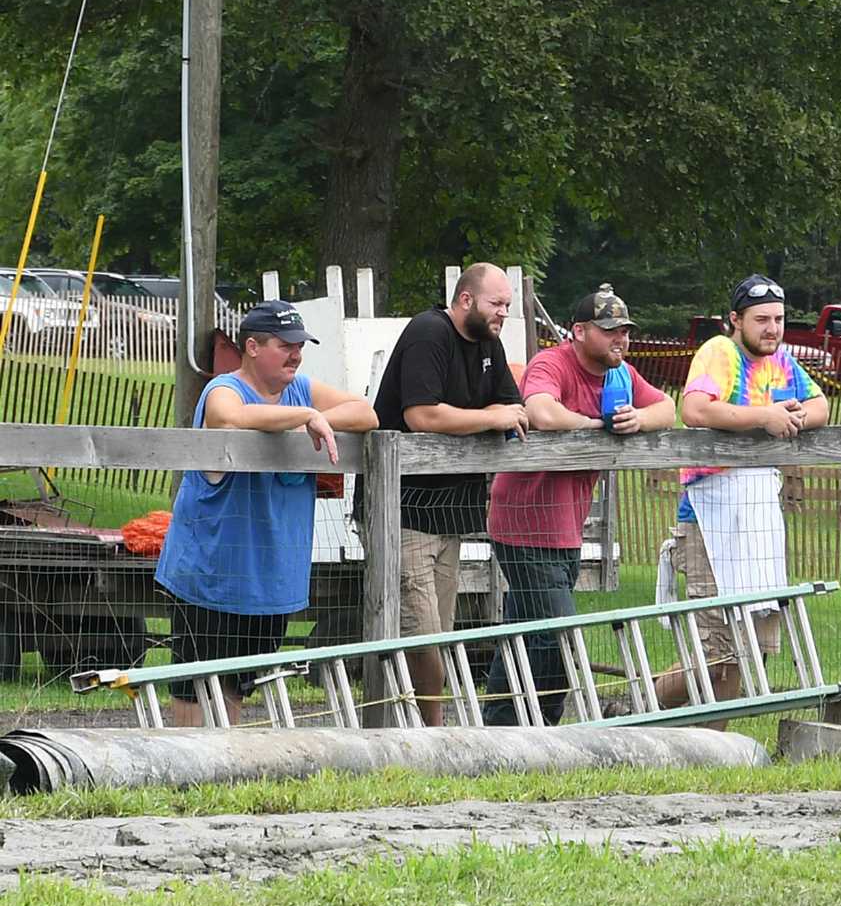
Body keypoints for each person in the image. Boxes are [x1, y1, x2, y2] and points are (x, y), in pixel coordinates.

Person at [155, 301, 376, 726]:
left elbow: (366, 412)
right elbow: (228, 417)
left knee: (238, 685)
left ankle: (223, 771)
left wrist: (309, 419)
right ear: (252, 347)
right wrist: (306, 417)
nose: (295, 354)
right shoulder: (224, 388)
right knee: (195, 686)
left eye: (300, 346)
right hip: (211, 575)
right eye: (285, 345)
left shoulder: (303, 388)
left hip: (269, 581)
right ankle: (186, 773)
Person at [484, 285, 675, 725]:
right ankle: (545, 728)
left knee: (525, 630)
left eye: (624, 331)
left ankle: (496, 724)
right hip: (524, 519)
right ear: (578, 332)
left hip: (567, 526)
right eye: (609, 331)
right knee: (557, 635)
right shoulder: (552, 363)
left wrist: (637, 420)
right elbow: (541, 413)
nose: (620, 341)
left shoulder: (620, 373)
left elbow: (667, 408)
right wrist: (595, 428)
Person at [652, 275, 829, 724]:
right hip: (708, 513)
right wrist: (763, 418)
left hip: (754, 513)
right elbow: (693, 409)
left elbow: (822, 405)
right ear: (735, 320)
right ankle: (655, 711)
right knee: (719, 651)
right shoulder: (720, 352)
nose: (772, 329)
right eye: (761, 319)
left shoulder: (783, 360)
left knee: (751, 642)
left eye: (779, 319)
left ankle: (697, 730)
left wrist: (794, 417)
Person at [370, 262, 530, 725]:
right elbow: (421, 415)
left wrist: (499, 413)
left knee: (439, 629)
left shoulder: (488, 345)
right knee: (422, 633)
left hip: (452, 511)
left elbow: (512, 403)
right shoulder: (428, 333)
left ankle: (421, 727)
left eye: (507, 305)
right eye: (496, 304)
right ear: (465, 300)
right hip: (404, 506)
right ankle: (431, 733)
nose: (502, 313)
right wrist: (490, 418)